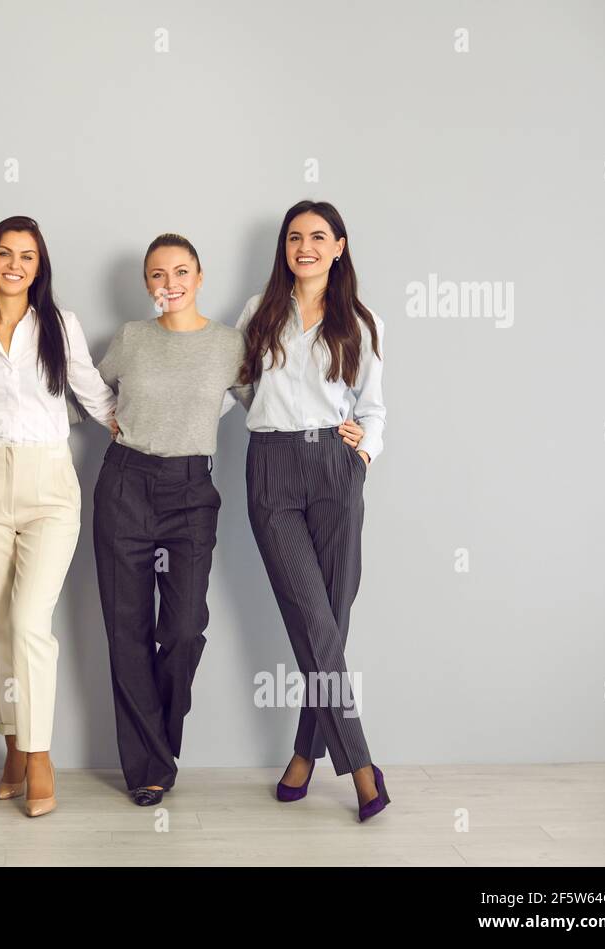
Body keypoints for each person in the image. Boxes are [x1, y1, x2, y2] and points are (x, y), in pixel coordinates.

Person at [0, 215, 116, 817]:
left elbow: (91, 391)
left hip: (50, 483)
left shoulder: (59, 325)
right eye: (4, 253)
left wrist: (137, 427)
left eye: (27, 256)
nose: (14, 264)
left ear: (39, 267)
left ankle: (40, 754)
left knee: (27, 622)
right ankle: (13, 743)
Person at [235, 200, 390, 822]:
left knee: (329, 623)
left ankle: (304, 751)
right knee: (315, 621)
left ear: (339, 246)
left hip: (334, 467)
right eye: (295, 237)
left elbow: (374, 408)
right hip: (272, 468)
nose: (305, 247)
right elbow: (240, 388)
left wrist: (364, 452)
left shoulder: (362, 320)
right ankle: (360, 766)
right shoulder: (259, 313)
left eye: (317, 237)